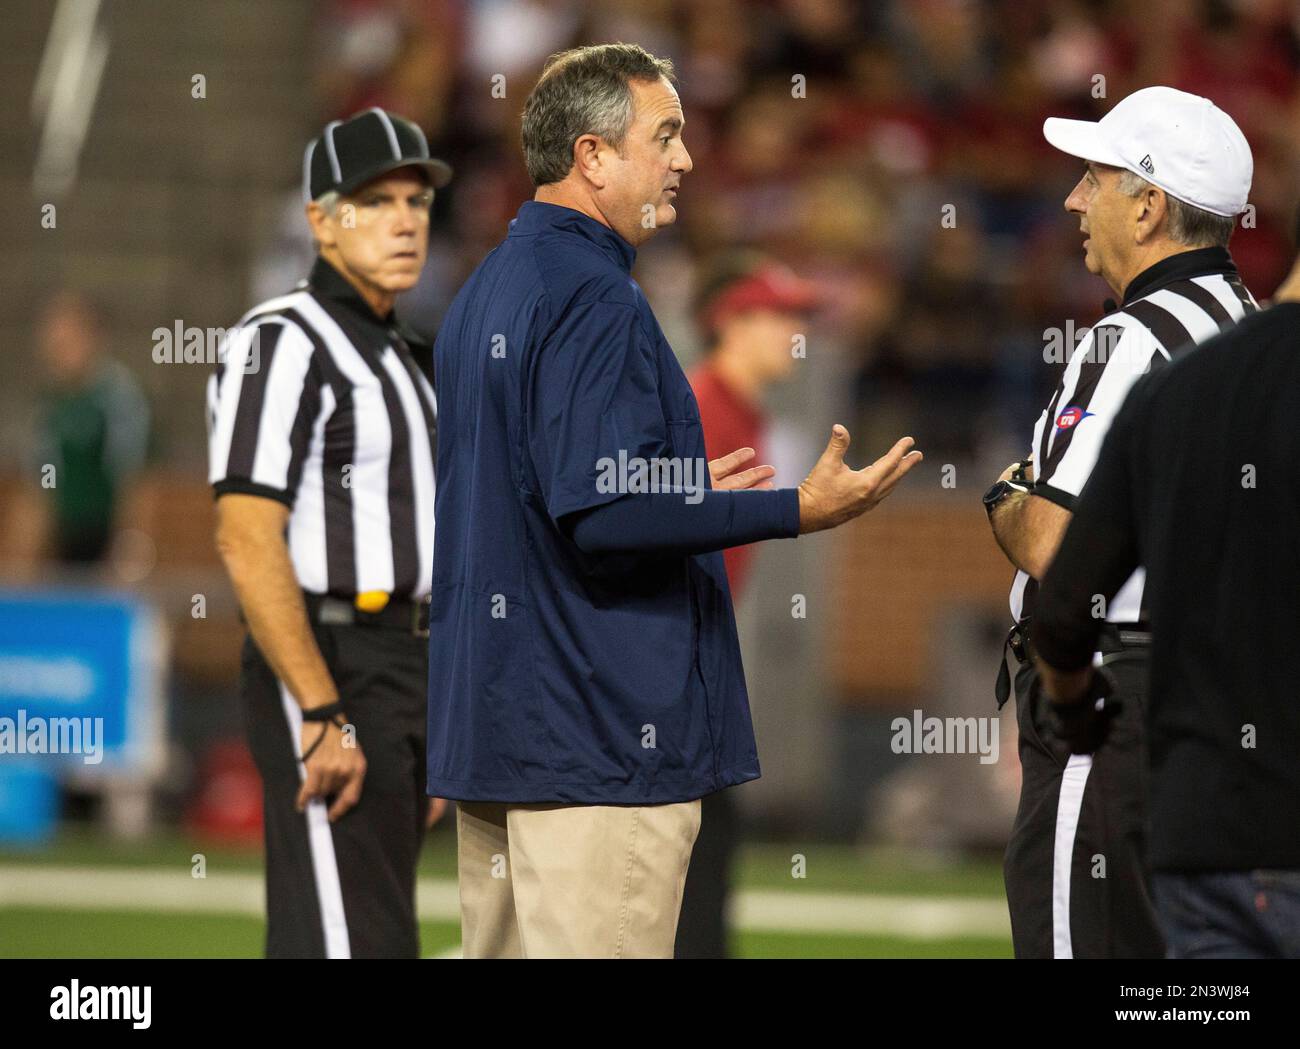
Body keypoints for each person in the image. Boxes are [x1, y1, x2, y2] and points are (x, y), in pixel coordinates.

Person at [428, 43, 922, 959]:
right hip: (600, 740)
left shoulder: (483, 292)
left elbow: (548, 492)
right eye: (666, 136)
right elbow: (601, 515)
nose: (687, 159)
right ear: (593, 156)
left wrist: (677, 488)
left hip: (504, 734)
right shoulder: (594, 298)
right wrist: (792, 509)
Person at [984, 86, 1257, 958]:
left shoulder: (1130, 340)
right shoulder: (1254, 333)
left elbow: (1053, 547)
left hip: (1114, 703)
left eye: (1093, 178)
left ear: (1147, 204)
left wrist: (1007, 493)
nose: (1072, 200)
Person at [207, 108, 450, 958]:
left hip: (407, 666)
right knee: (346, 941)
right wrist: (319, 708)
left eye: (417, 202)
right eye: (376, 200)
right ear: (320, 218)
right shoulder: (281, 341)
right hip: (332, 656)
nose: (405, 221)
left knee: (375, 930)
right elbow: (245, 535)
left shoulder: (406, 358)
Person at [1029, 248, 1300, 959]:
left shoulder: (1177, 379)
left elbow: (1061, 603)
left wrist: (1075, 706)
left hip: (1213, 823)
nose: (1074, 200)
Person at [676, 252, 818, 959]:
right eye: (781, 316)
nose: (798, 333)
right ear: (730, 320)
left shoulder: (740, 412)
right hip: (671, 663)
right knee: (693, 848)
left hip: (695, 656)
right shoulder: (701, 407)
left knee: (709, 840)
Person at [30, 292, 150, 565]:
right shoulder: (52, 403)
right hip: (62, 540)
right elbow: (43, 478)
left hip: (104, 539)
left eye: (67, 341)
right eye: (53, 343)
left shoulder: (118, 396)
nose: (57, 351)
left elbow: (134, 476)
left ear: (92, 340)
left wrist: (128, 546)